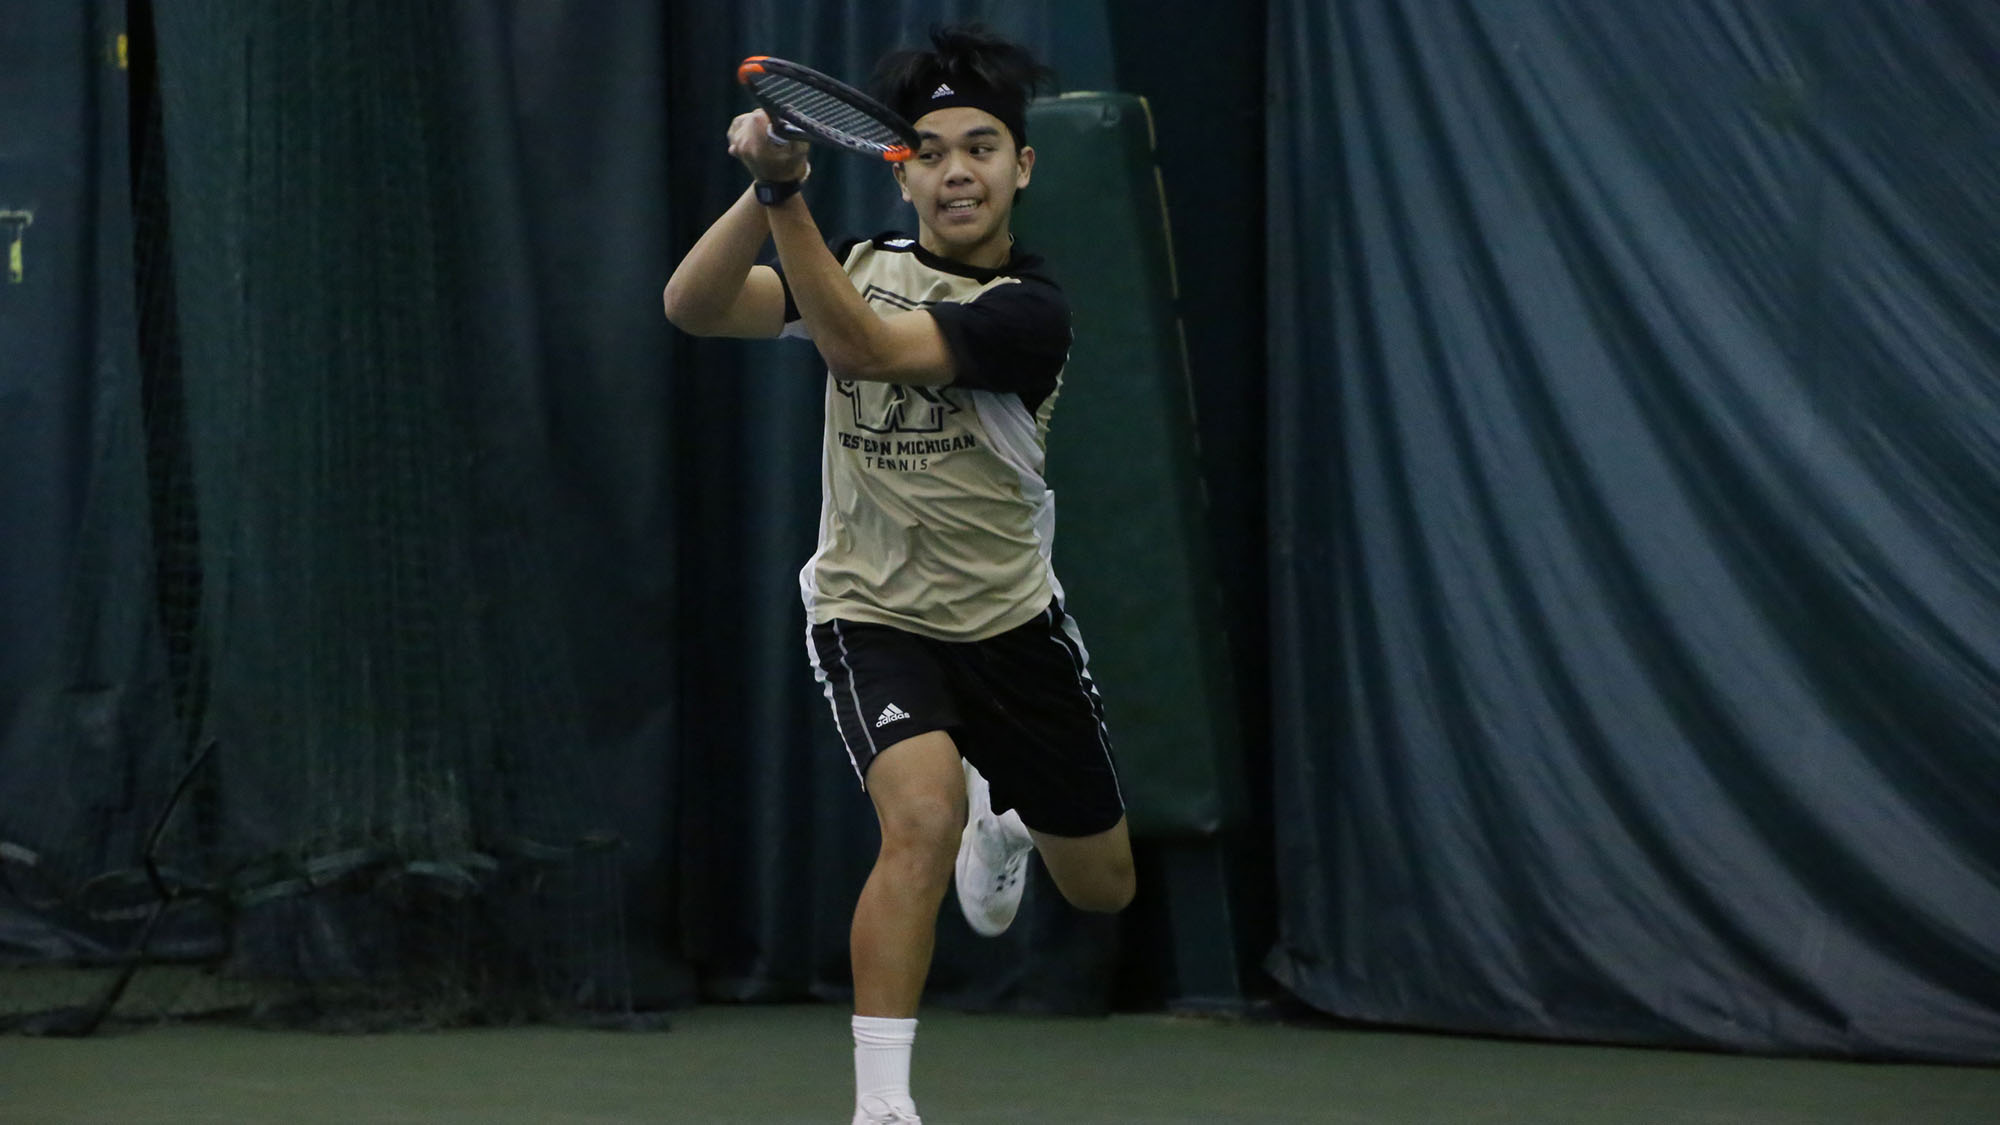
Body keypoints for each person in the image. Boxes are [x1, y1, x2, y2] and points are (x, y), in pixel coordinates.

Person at [662, 24, 1135, 1125]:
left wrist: (787, 203)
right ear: (899, 166)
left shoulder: (1031, 312)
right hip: (870, 613)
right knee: (914, 822)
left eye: (980, 147)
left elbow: (863, 354)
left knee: (1100, 886)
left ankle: (1005, 810)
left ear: (1021, 165)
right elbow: (692, 307)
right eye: (928, 151)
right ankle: (883, 1106)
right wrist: (763, 184)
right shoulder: (859, 267)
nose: (955, 170)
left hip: (1011, 625)